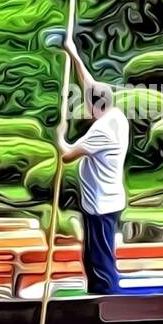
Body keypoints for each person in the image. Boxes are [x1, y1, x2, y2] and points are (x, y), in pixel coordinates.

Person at [55, 38, 129, 295]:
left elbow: (66, 156)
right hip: (109, 200)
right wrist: (74, 53)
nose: (84, 106)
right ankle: (102, 295)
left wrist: (60, 135)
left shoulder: (101, 132)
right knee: (96, 254)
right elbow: (89, 85)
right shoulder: (115, 115)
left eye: (87, 103)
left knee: (98, 261)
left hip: (100, 204)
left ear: (95, 106)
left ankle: (106, 299)